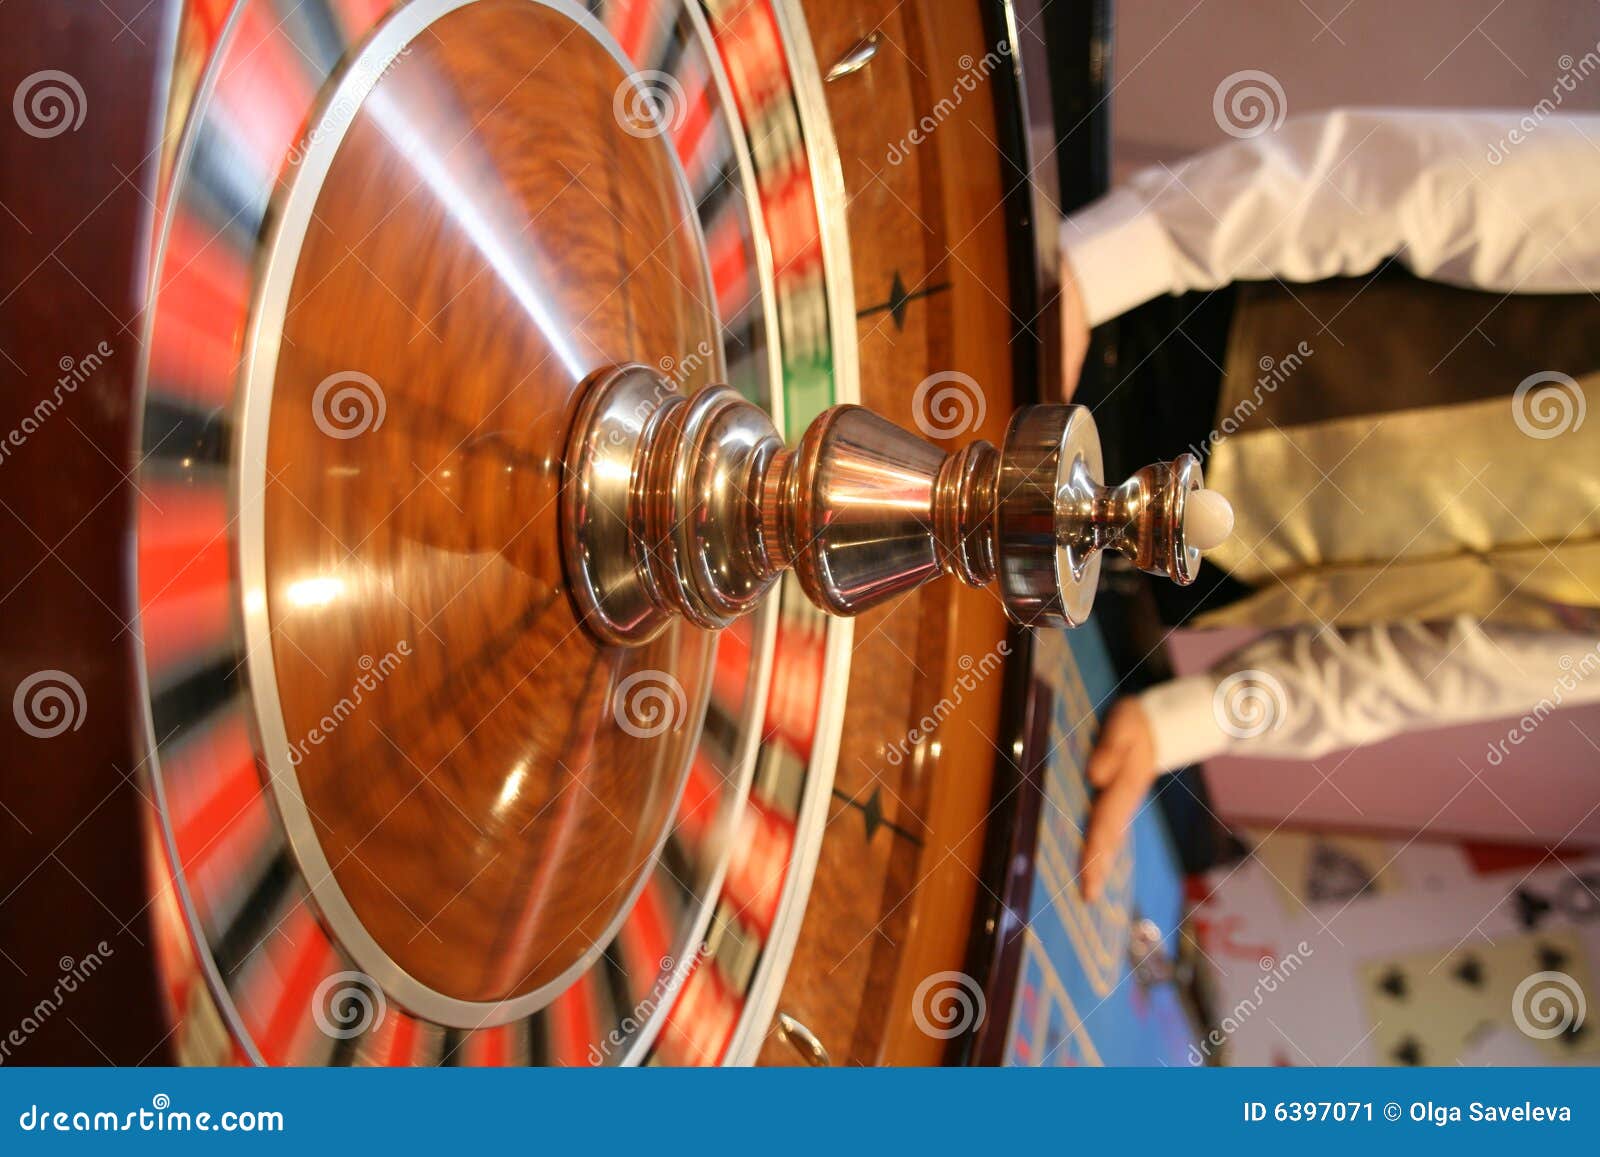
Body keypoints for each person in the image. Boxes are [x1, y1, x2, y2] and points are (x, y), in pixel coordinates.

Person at [1051, 108, 1600, 901]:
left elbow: (1439, 669)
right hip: (1168, 353)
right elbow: (1400, 185)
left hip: (1195, 571)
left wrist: (1183, 721)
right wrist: (1097, 270)